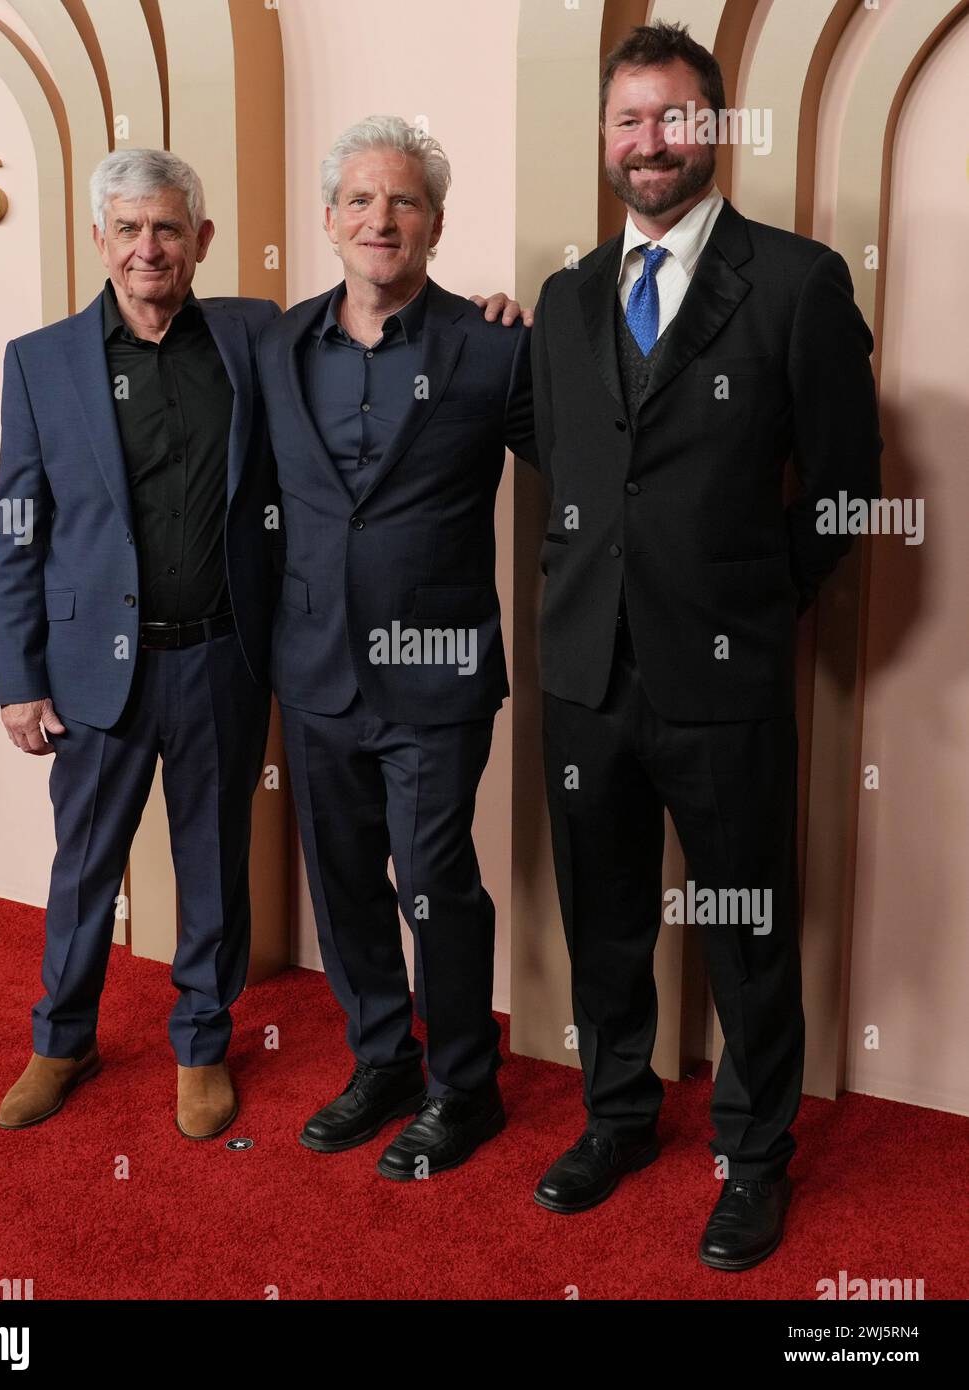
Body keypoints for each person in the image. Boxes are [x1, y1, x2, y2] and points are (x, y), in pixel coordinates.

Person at [529, 23, 882, 1268]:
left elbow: (843, 485)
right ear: (606, 137)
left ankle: (752, 1156)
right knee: (605, 916)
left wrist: (754, 599)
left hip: (722, 679)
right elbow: (562, 454)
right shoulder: (565, 300)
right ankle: (617, 1117)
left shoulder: (794, 281)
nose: (649, 143)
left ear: (714, 129)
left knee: (742, 928)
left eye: (672, 118)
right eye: (628, 120)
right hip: (583, 675)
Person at [256, 115, 535, 1180]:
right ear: (330, 221)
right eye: (361, 201)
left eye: (403, 201)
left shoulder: (493, 347)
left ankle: (465, 1086)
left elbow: (591, 472)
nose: (382, 218)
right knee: (342, 880)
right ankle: (382, 1059)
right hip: (315, 665)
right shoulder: (276, 347)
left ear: (434, 223)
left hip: (438, 674)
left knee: (433, 878)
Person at [0, 149, 280, 1140]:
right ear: (99, 238)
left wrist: (482, 313)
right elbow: (17, 526)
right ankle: (60, 1038)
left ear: (200, 241)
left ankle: (200, 1041)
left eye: (167, 228)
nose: (147, 247)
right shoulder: (40, 360)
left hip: (219, 659)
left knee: (212, 862)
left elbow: (367, 319)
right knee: (84, 868)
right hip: (87, 671)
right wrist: (17, 676)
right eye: (128, 228)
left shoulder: (254, 337)